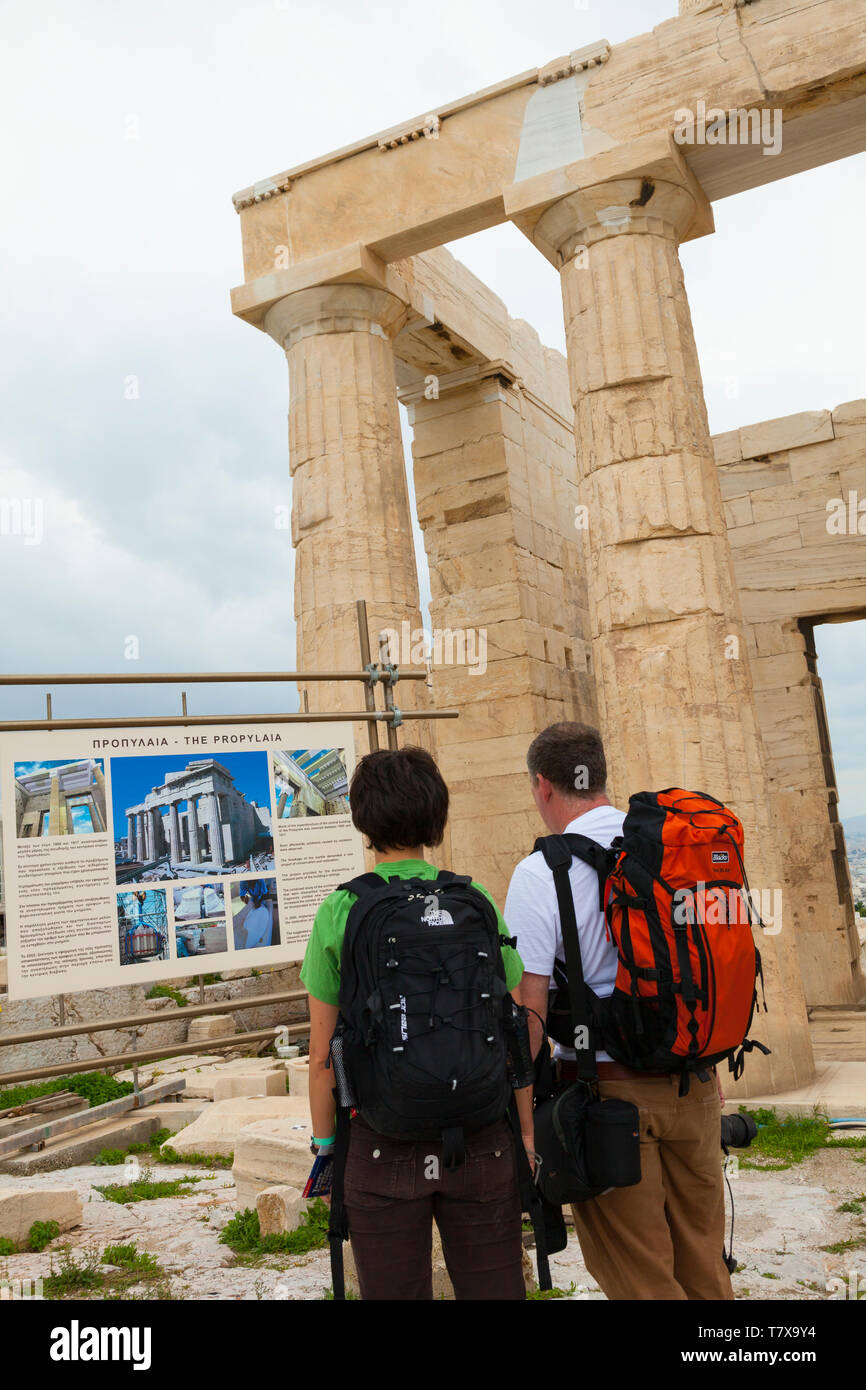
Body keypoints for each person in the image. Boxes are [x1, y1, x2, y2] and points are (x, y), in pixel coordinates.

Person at [507, 721, 733, 1301]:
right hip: (695, 1081)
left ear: (542, 785)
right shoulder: (667, 846)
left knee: (641, 1280)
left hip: (605, 1094)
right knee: (705, 1267)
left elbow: (529, 1004)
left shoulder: (541, 873)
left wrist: (524, 1117)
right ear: (599, 774)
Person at [301, 745, 530, 1301]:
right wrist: (523, 1134)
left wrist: (327, 1149)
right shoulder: (474, 899)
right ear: (437, 816)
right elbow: (517, 1028)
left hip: (382, 1145)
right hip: (480, 1137)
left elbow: (320, 1054)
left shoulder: (342, 910)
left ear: (363, 821)